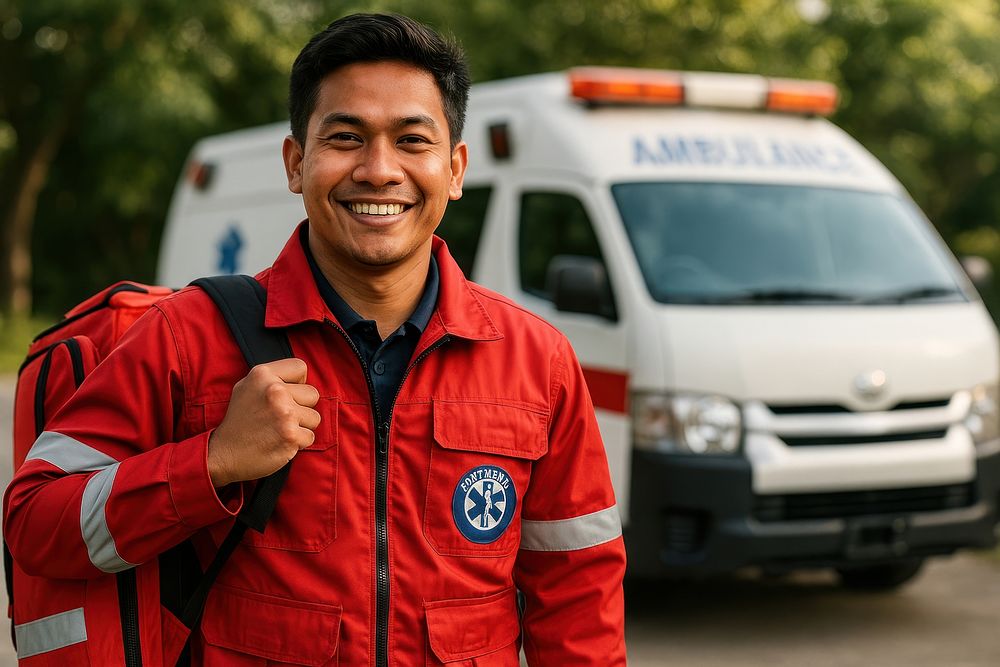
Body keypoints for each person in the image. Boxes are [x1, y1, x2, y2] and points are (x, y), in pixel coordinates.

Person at [4, 13, 627, 666]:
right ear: (297, 162)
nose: (379, 170)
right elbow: (35, 523)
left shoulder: (538, 360)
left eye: (411, 140)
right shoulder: (187, 338)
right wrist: (211, 462)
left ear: (455, 167)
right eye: (347, 137)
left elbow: (578, 594)